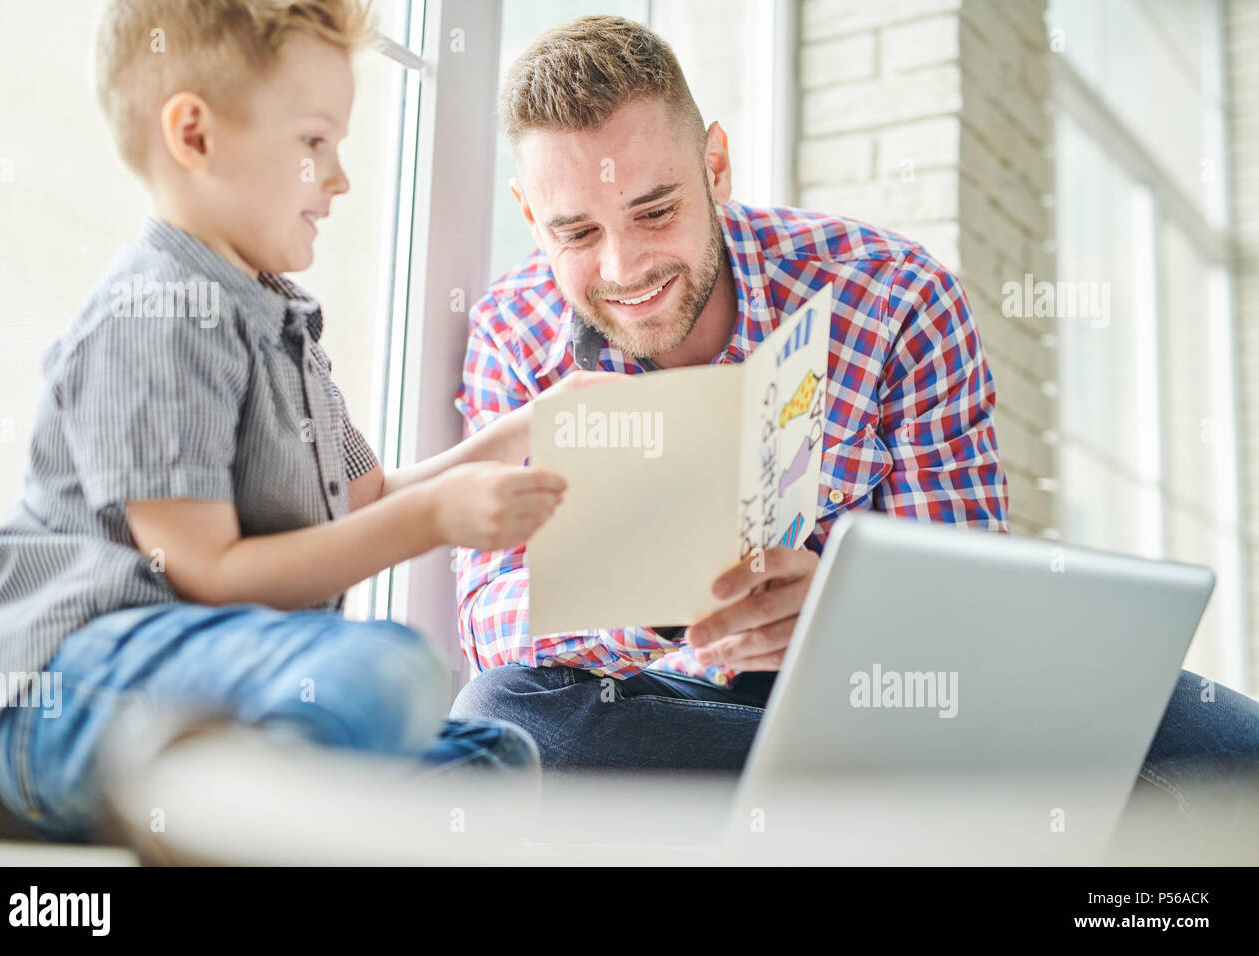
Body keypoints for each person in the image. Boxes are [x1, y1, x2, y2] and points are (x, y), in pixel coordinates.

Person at [450, 15, 1259, 832]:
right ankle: (901, 821)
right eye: (578, 233)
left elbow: (965, 593)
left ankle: (856, 820)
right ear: (529, 214)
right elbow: (488, 619)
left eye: (655, 211)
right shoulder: (516, 335)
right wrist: (653, 601)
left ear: (715, 166)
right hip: (685, 709)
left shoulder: (895, 293)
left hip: (900, 703)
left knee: (1235, 750)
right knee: (514, 721)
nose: (624, 270)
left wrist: (838, 617)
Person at [0, 0, 573, 844]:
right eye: (315, 142)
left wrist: (521, 435)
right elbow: (207, 569)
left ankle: (251, 806)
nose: (341, 178)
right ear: (195, 137)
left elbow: (363, 499)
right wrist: (436, 519)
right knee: (386, 663)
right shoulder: (159, 311)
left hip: (208, 686)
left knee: (492, 758)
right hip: (70, 688)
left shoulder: (277, 316)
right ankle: (239, 817)